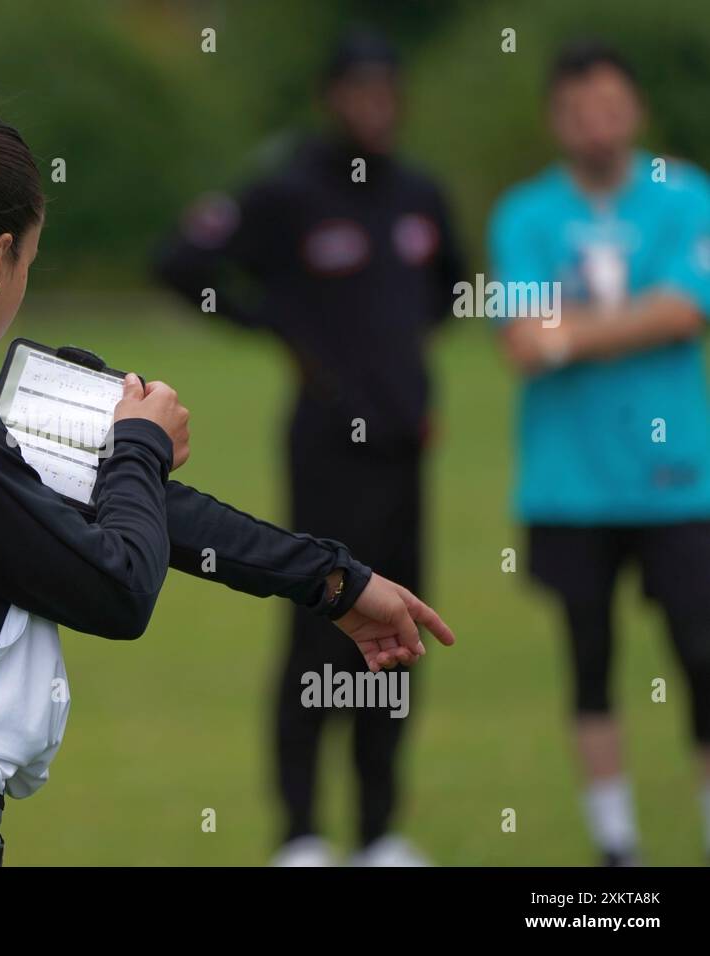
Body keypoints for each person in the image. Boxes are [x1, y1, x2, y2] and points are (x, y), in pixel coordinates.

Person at [0, 102, 453, 867]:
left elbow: (120, 512)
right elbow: (118, 586)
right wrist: (140, 446)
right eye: (29, 262)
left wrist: (333, 581)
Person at [154, 30, 462, 866]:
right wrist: (274, 325)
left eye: (387, 90)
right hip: (328, 447)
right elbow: (183, 262)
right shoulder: (289, 191)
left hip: (406, 449)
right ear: (333, 97)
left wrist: (399, 377)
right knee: (323, 621)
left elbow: (450, 292)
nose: (376, 106)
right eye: (360, 91)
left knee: (402, 631)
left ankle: (381, 832)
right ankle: (301, 833)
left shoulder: (419, 194)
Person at [489, 40, 710, 866]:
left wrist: (572, 334)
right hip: (568, 483)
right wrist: (640, 316)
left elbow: (688, 314)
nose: (599, 124)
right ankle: (617, 842)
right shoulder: (524, 214)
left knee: (701, 653)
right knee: (590, 658)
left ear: (637, 109)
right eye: (581, 110)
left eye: (612, 106)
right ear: (557, 120)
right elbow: (519, 340)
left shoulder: (686, 195)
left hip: (679, 478)